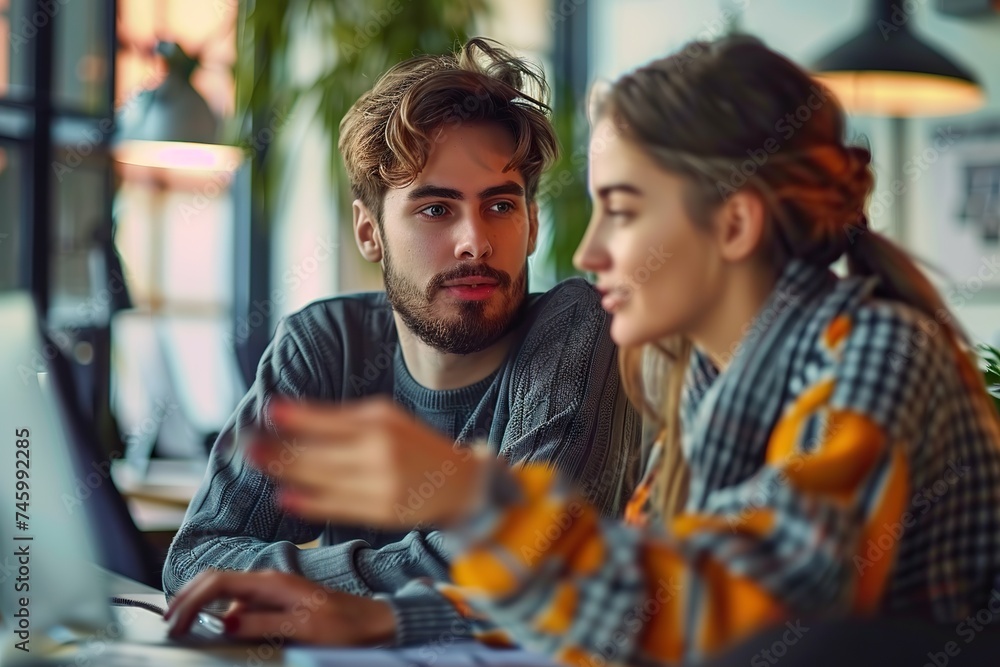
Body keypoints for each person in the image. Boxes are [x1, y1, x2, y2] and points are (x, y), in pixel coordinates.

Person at [165, 34, 1000, 664]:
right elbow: (637, 588)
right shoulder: (704, 380)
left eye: (624, 208)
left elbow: (756, 611)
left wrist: (472, 496)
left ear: (735, 224)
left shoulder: (877, 354)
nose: (590, 250)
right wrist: (385, 614)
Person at [162, 38, 643, 648]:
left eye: (500, 205)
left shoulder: (578, 329)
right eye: (436, 209)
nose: (475, 241)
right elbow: (199, 555)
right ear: (370, 233)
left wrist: (312, 591)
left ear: (532, 226)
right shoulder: (325, 344)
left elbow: (533, 562)